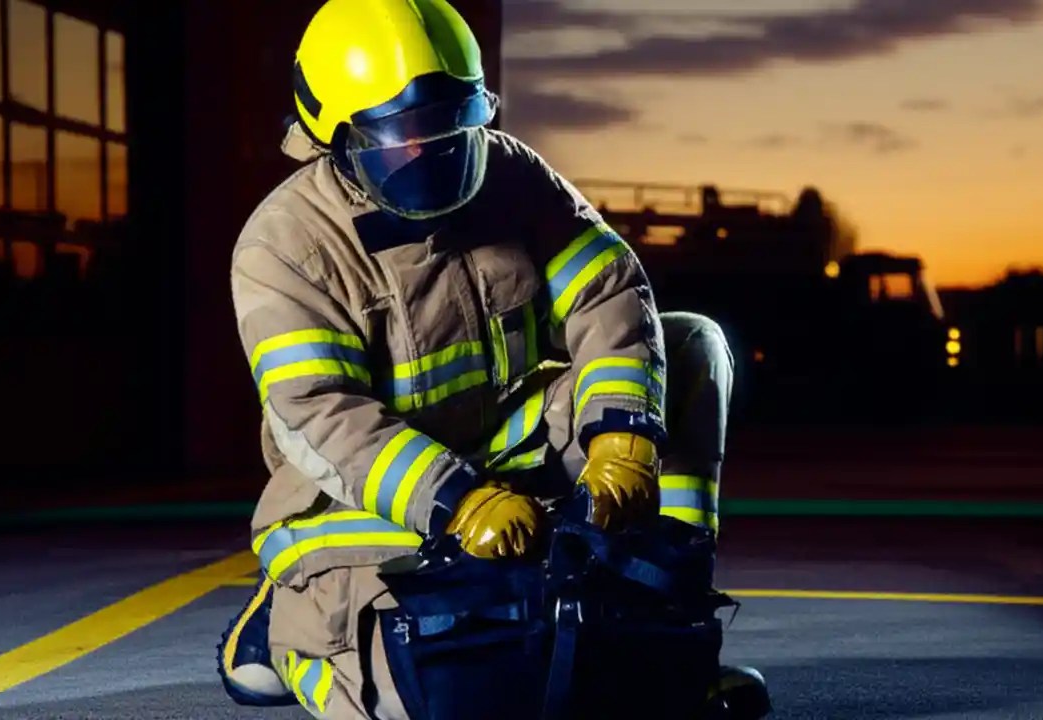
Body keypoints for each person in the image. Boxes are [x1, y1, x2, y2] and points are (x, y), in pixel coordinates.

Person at [217, 1, 757, 717]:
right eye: (403, 136)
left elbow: (608, 289)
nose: (434, 151)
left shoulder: (510, 175)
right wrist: (456, 500)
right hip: (373, 494)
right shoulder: (283, 248)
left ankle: (673, 631)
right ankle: (291, 630)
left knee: (693, 345)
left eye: (454, 122)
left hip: (514, 448)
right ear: (334, 137)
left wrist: (621, 432)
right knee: (437, 695)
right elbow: (323, 415)